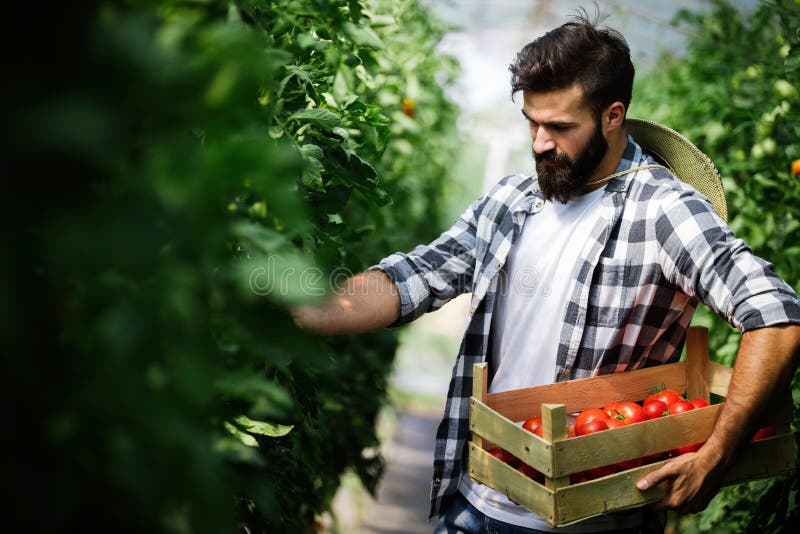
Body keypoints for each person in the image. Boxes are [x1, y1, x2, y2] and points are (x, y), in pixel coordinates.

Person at [292, 13, 800, 534]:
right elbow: (412, 278)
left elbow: (778, 318)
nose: (538, 142)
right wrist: (300, 312)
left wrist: (717, 454)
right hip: (473, 502)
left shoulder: (663, 210)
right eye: (531, 122)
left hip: (591, 521)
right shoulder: (511, 201)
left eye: (559, 127)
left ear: (612, 115)